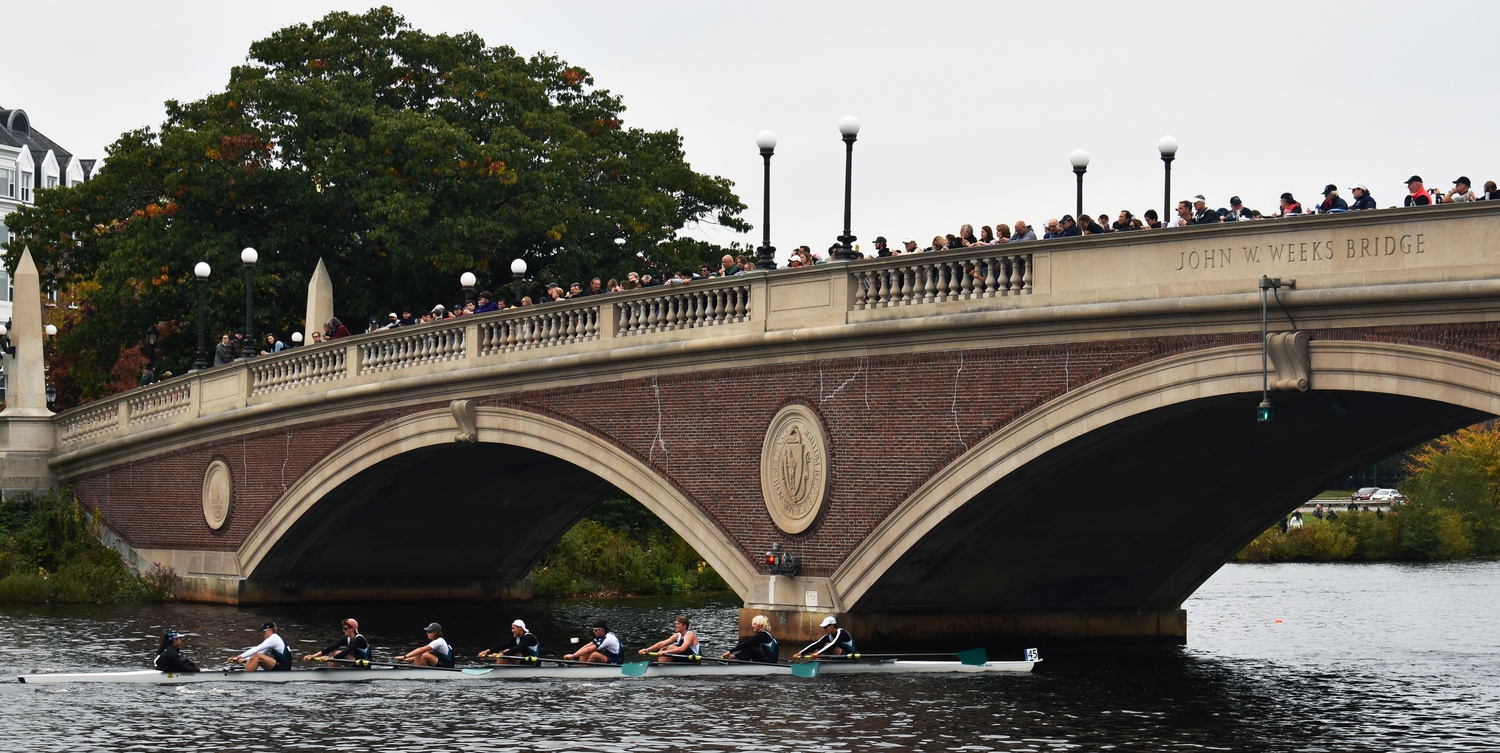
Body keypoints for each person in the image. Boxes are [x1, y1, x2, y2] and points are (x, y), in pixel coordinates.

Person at [303, 618, 371, 665]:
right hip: (355, 662)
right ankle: (331, 672)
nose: (343, 630)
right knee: (333, 652)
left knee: (337, 653)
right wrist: (313, 656)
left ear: (352, 629)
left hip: (364, 664)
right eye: (343, 628)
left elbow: (348, 651)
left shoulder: (359, 639)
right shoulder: (347, 639)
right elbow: (332, 647)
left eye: (345, 628)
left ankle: (332, 674)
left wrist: (329, 658)